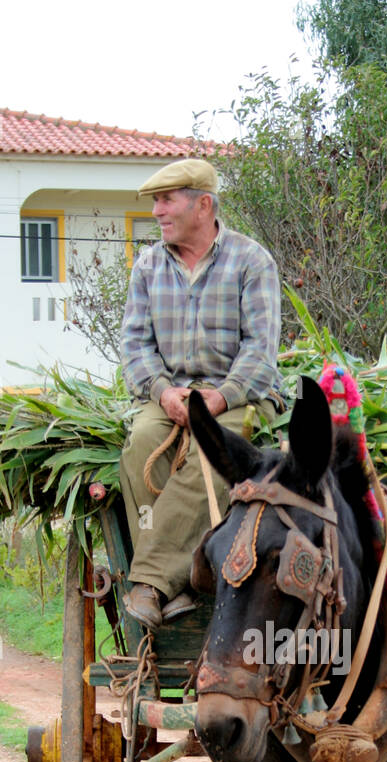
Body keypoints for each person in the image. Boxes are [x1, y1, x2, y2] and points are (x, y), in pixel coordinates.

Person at [119, 157, 284, 627]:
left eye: (167, 200)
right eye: (155, 201)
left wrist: (219, 397)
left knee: (214, 451)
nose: (157, 211)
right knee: (142, 446)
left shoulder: (252, 261)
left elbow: (260, 349)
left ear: (203, 205)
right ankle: (180, 587)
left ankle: (152, 583)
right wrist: (163, 392)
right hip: (171, 395)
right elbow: (135, 343)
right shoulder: (149, 266)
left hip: (239, 397)